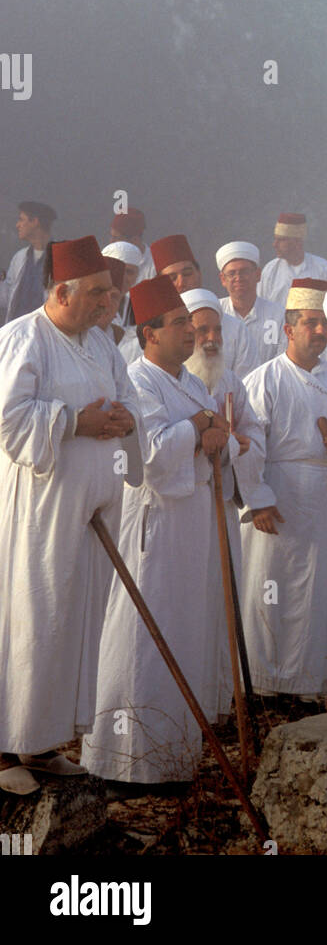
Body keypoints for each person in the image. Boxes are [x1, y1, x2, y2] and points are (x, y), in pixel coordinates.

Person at [0, 236, 140, 795]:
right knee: (32, 621)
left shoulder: (101, 343)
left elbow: (127, 396)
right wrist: (74, 422)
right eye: (100, 293)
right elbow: (10, 421)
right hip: (39, 514)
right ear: (63, 291)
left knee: (69, 625)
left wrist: (123, 419)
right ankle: (6, 746)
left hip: (90, 518)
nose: (110, 302)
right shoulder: (22, 338)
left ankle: (42, 742)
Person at [81, 275, 231, 785]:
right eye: (179, 324)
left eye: (191, 323)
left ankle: (173, 754)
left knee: (186, 626)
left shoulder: (190, 381)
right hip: (156, 521)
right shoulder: (137, 380)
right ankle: (123, 758)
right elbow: (151, 453)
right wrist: (201, 429)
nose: (191, 332)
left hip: (193, 524)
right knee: (143, 630)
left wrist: (214, 433)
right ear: (149, 334)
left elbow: (207, 433)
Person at [240, 278, 327, 702]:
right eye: (311, 323)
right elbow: (249, 450)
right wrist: (258, 501)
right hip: (280, 501)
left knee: (319, 589)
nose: (320, 331)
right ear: (288, 329)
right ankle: (267, 684)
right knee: (274, 588)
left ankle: (313, 682)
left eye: (325, 323)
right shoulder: (264, 380)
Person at [181, 288, 279, 720]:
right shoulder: (169, 380)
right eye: (201, 330)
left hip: (220, 506)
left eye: (216, 329)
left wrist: (238, 446)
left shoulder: (233, 380)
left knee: (221, 602)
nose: (211, 339)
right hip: (182, 510)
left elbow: (254, 434)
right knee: (188, 604)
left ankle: (220, 702)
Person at [151, 233, 259, 378]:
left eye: (187, 274)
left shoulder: (236, 329)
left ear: (199, 274)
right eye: (172, 278)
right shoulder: (156, 333)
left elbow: (247, 385)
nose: (181, 283)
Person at [216, 240, 285, 368]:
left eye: (244, 272)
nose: (238, 278)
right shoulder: (214, 313)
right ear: (223, 279)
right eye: (231, 273)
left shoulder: (279, 315)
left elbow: (283, 361)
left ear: (258, 275)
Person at [258, 212, 327, 305]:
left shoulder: (324, 269)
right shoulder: (270, 270)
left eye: (281, 240)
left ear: (297, 242)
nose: (274, 244)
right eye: (275, 239)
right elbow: (261, 304)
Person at [3, 200, 57, 325]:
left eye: (22, 219)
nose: (17, 225)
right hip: (17, 333)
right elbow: (7, 296)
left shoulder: (61, 257)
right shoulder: (20, 257)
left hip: (46, 335)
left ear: (35, 221)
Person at [109, 208, 155, 283]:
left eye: (116, 238)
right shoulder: (107, 258)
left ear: (135, 240)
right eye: (111, 236)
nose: (111, 242)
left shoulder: (154, 265)